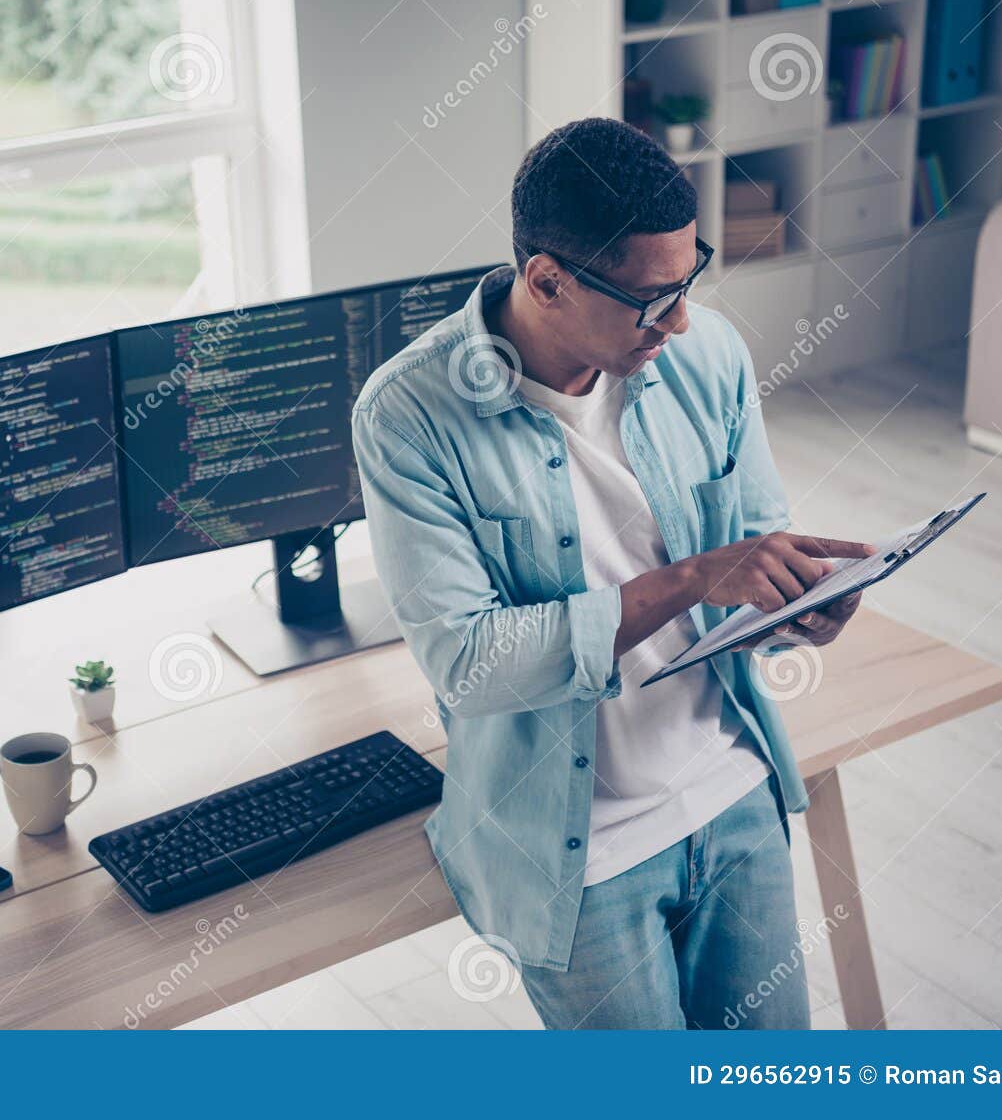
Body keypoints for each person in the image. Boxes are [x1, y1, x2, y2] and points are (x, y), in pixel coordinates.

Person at [351, 117, 872, 1029]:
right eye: (650, 298)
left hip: (733, 783)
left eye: (688, 280)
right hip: (577, 854)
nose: (677, 321)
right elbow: (468, 667)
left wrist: (802, 602)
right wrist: (691, 579)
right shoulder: (409, 416)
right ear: (547, 280)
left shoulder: (704, 354)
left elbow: (753, 546)